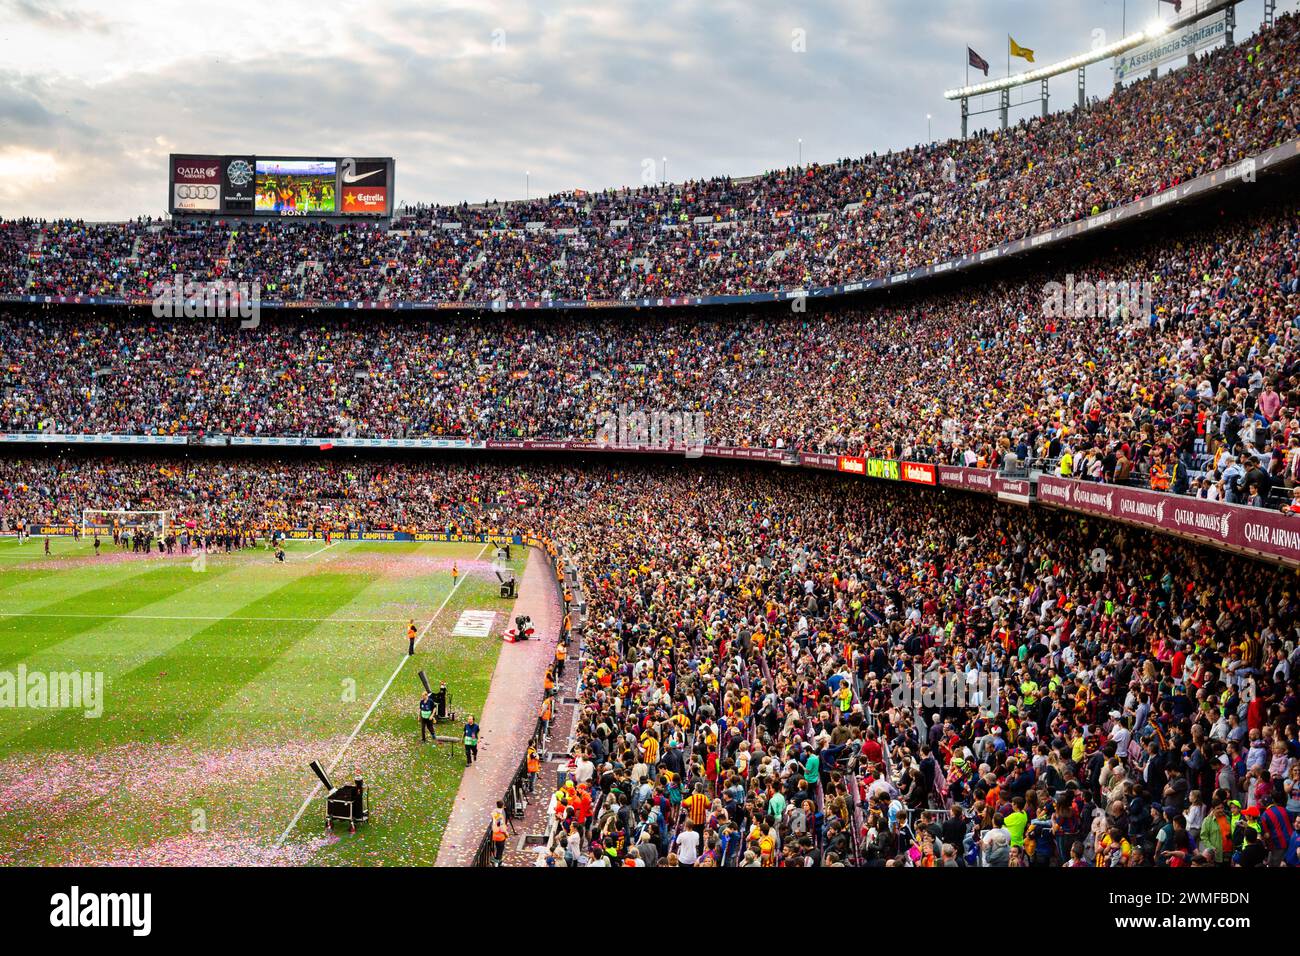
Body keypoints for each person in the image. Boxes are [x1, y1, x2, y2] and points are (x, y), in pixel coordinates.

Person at [490, 800, 509, 866]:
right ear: (503, 805)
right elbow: (502, 827)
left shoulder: (494, 812)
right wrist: (506, 834)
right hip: (500, 836)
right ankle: (497, 862)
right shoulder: (500, 816)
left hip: (495, 835)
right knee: (500, 851)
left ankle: (497, 861)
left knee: (497, 849)